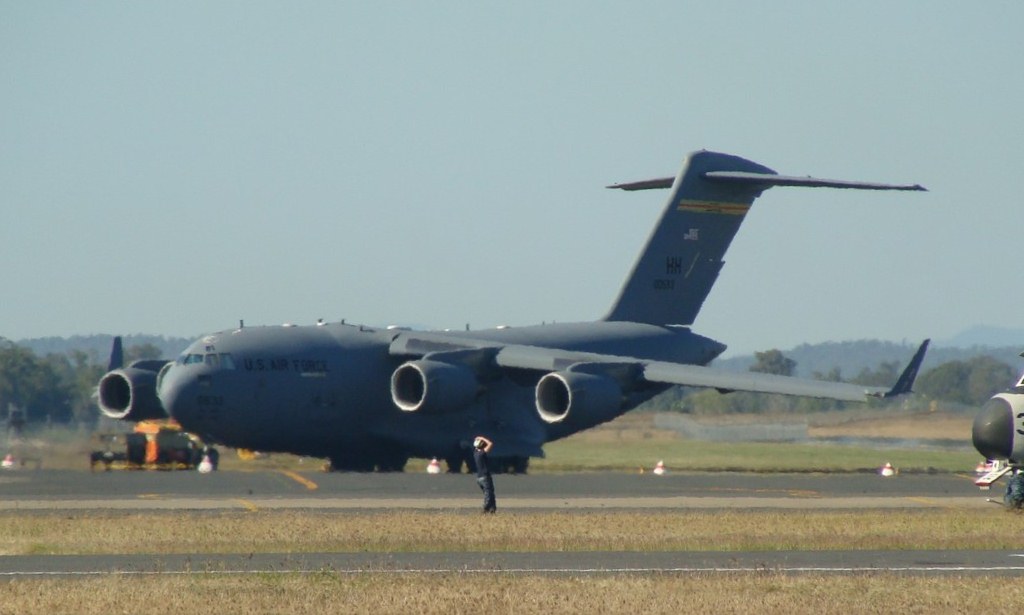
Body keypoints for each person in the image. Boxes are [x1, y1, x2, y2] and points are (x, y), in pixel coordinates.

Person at [473, 436, 496, 513]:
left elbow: (476, 446)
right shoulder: (481, 454)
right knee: (489, 493)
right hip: (485, 476)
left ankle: (492, 509)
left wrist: (477, 440)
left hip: (479, 478)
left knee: (490, 492)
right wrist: (482, 438)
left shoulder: (475, 454)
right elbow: (490, 444)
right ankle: (486, 508)